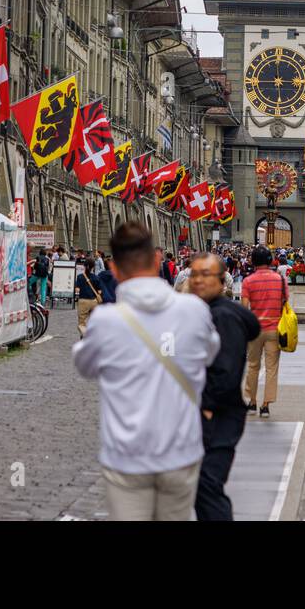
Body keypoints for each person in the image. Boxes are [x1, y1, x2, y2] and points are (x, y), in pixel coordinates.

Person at [73, 222, 220, 521]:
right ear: (156, 261)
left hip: (127, 457)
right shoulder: (194, 311)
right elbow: (210, 352)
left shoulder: (106, 321)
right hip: (180, 453)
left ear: (114, 269)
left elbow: (84, 365)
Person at [187, 253, 262, 521]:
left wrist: (206, 408)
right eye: (193, 274)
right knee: (201, 487)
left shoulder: (223, 317)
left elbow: (226, 372)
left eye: (205, 275)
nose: (197, 280)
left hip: (219, 416)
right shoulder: (206, 312)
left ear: (222, 281)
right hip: (211, 415)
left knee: (207, 486)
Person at [241, 246, 289, 418]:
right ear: (270, 261)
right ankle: (266, 405)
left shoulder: (248, 281)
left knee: (253, 366)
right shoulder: (280, 280)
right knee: (272, 368)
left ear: (253, 261)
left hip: (254, 329)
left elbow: (244, 308)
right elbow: (285, 303)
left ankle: (252, 402)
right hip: (274, 329)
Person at [75, 256, 103, 337]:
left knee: (82, 322)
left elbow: (77, 290)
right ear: (93, 267)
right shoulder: (96, 277)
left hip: (83, 301)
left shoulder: (80, 277)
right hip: (94, 301)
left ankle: (84, 335)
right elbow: (99, 291)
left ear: (84, 266)